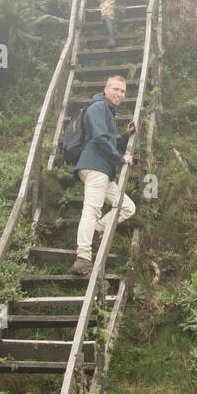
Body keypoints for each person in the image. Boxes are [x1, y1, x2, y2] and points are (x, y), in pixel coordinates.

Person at [72, 75, 137, 276]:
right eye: (115, 89)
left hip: (103, 170)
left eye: (122, 91)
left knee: (127, 207)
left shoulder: (107, 111)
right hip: (95, 167)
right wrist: (120, 159)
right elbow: (100, 139)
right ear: (106, 89)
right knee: (91, 210)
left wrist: (125, 136)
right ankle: (83, 258)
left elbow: (107, 141)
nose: (119, 94)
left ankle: (96, 230)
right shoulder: (98, 107)